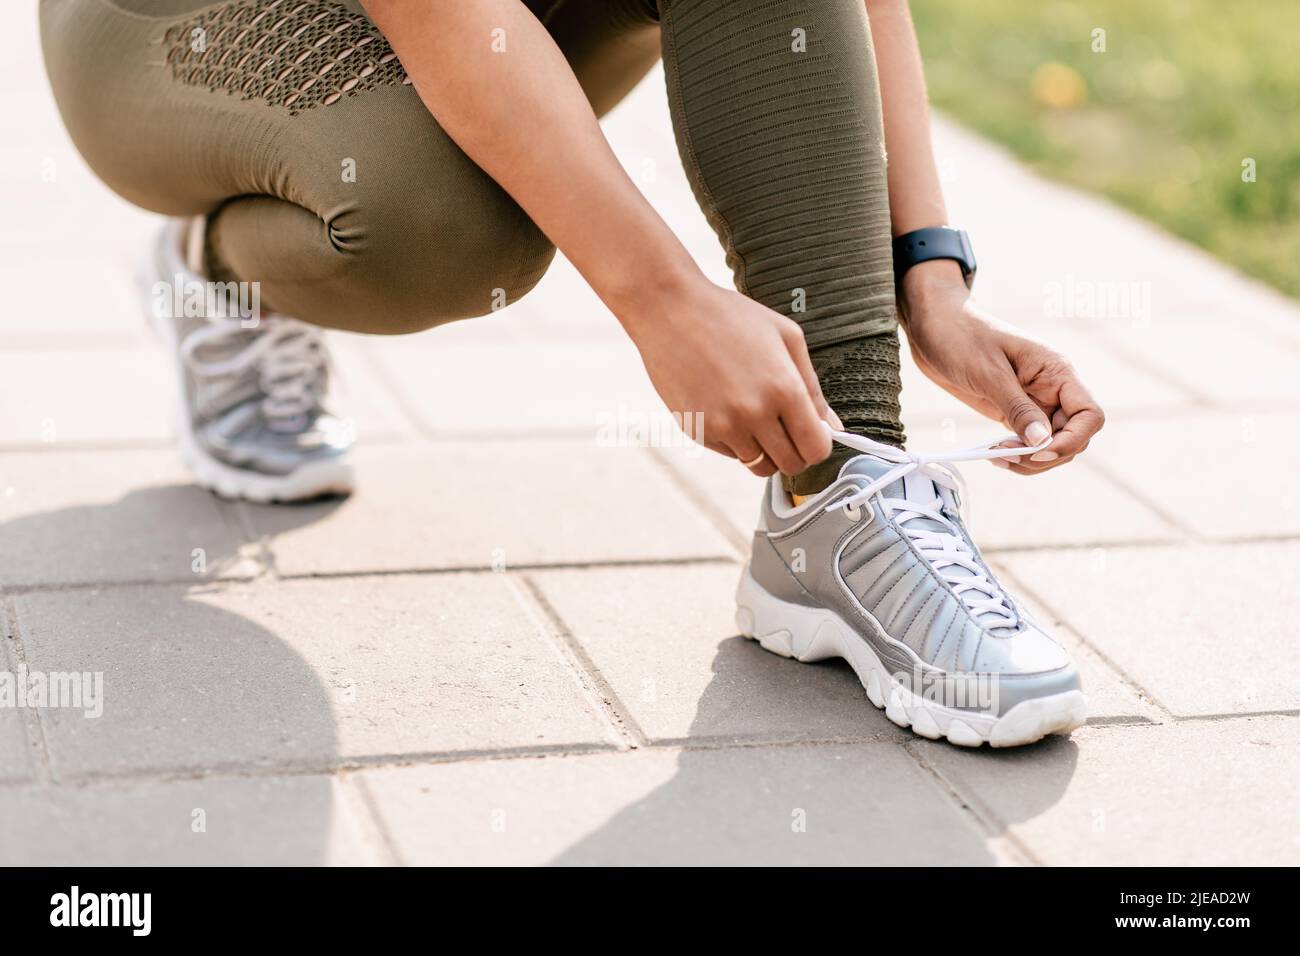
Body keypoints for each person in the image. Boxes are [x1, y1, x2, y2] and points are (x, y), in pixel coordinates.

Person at [40, 0, 1104, 746]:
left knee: (476, 182)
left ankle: (841, 503)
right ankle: (222, 274)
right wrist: (663, 298)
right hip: (167, 19)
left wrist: (929, 277)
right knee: (446, 227)